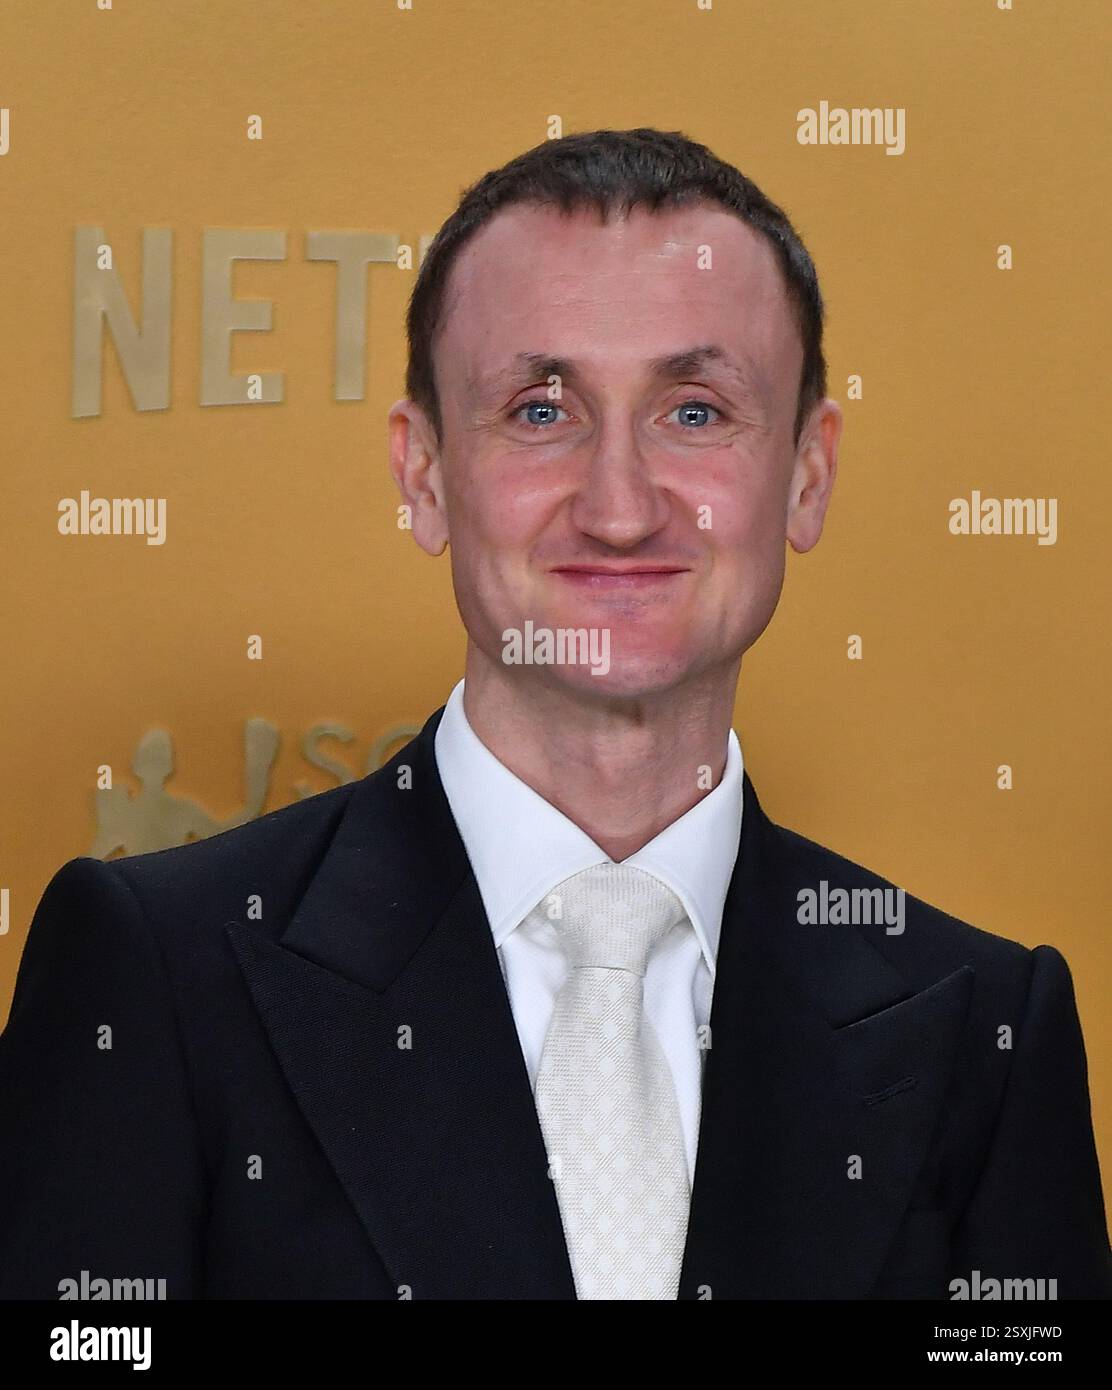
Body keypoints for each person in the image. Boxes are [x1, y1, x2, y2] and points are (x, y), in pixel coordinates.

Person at [1, 128, 1108, 1301]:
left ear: (805, 474)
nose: (620, 509)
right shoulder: (158, 975)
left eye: (693, 411)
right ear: (422, 473)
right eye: (539, 410)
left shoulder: (983, 1027)